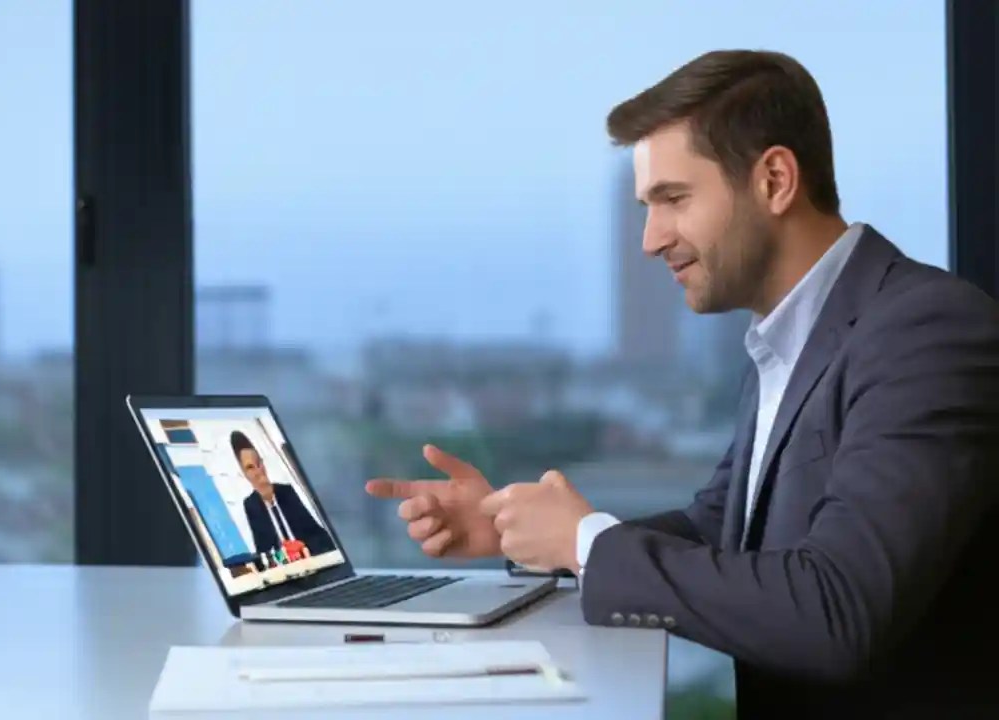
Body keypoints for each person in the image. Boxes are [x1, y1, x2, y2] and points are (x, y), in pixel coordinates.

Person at [366, 49, 999, 718]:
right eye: (646, 205)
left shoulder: (927, 330)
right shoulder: (789, 340)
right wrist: (528, 537)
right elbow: (714, 530)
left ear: (775, 180)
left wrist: (587, 543)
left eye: (673, 199)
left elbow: (838, 607)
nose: (650, 238)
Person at [232, 430, 336, 559]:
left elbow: (317, 533)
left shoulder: (287, 491)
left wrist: (303, 548)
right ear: (244, 473)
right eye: (250, 467)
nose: (258, 471)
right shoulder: (251, 505)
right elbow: (263, 550)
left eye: (259, 464)